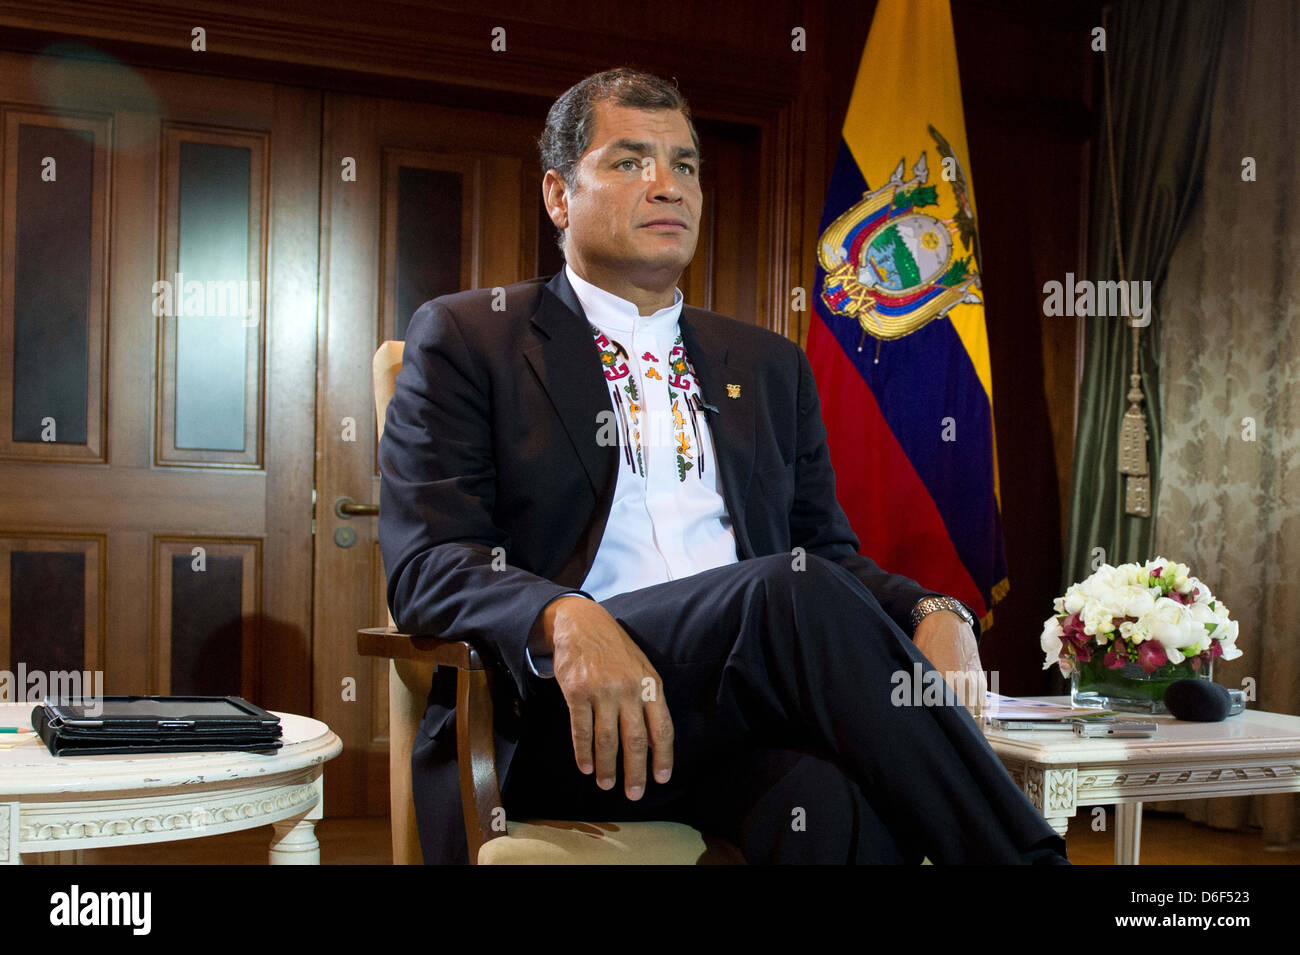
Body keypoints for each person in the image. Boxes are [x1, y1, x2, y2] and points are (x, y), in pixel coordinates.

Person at [379, 67, 1069, 865]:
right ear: (559, 197)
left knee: (835, 805)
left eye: (686, 165)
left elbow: (831, 557)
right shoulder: (472, 339)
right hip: (569, 719)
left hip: (738, 715)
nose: (668, 185)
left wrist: (933, 609)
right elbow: (428, 563)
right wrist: (562, 615)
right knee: (790, 589)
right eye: (630, 162)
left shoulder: (768, 365)